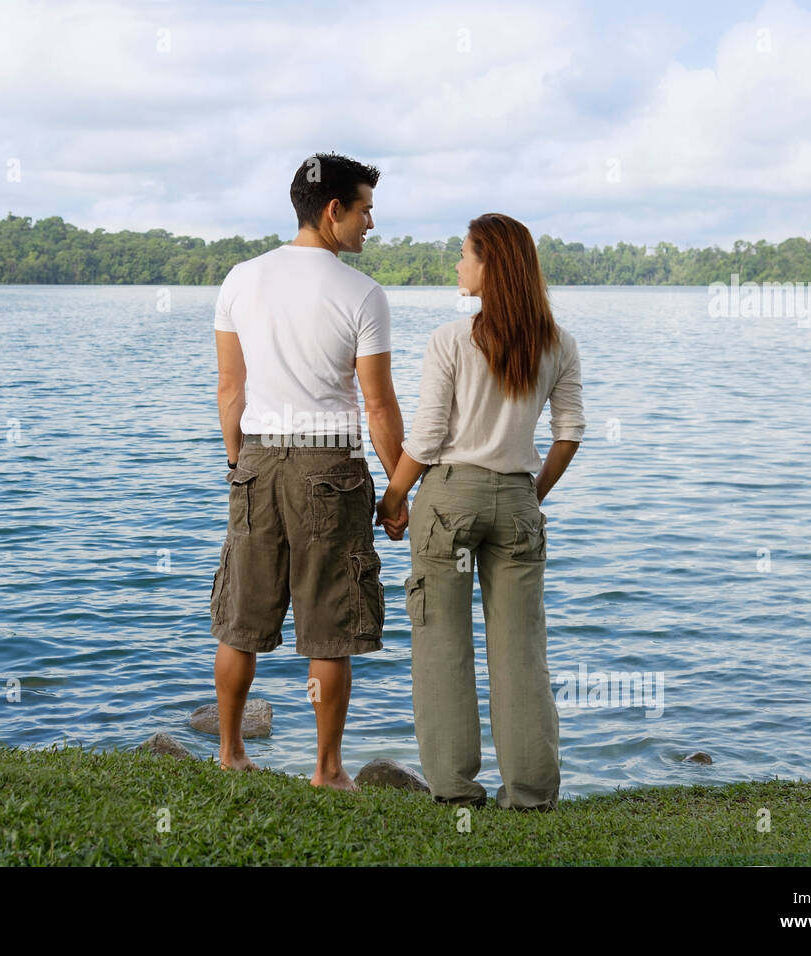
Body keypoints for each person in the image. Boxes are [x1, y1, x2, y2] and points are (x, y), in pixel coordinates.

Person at [375, 213, 585, 811]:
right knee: (521, 650)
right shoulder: (558, 343)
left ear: (490, 263)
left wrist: (394, 498)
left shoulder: (451, 339)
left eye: (464, 255)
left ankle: (456, 792)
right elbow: (568, 434)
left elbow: (427, 437)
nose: (458, 265)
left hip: (449, 502)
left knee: (443, 644)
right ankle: (531, 794)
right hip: (518, 498)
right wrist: (531, 494)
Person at [211, 152, 406, 790]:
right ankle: (327, 770)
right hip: (332, 466)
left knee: (243, 617)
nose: (371, 224)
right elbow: (377, 406)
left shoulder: (240, 278)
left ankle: (231, 752)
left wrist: (241, 464)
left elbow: (230, 391)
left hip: (258, 460)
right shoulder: (362, 293)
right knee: (328, 628)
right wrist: (401, 487)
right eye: (365, 209)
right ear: (333, 211)